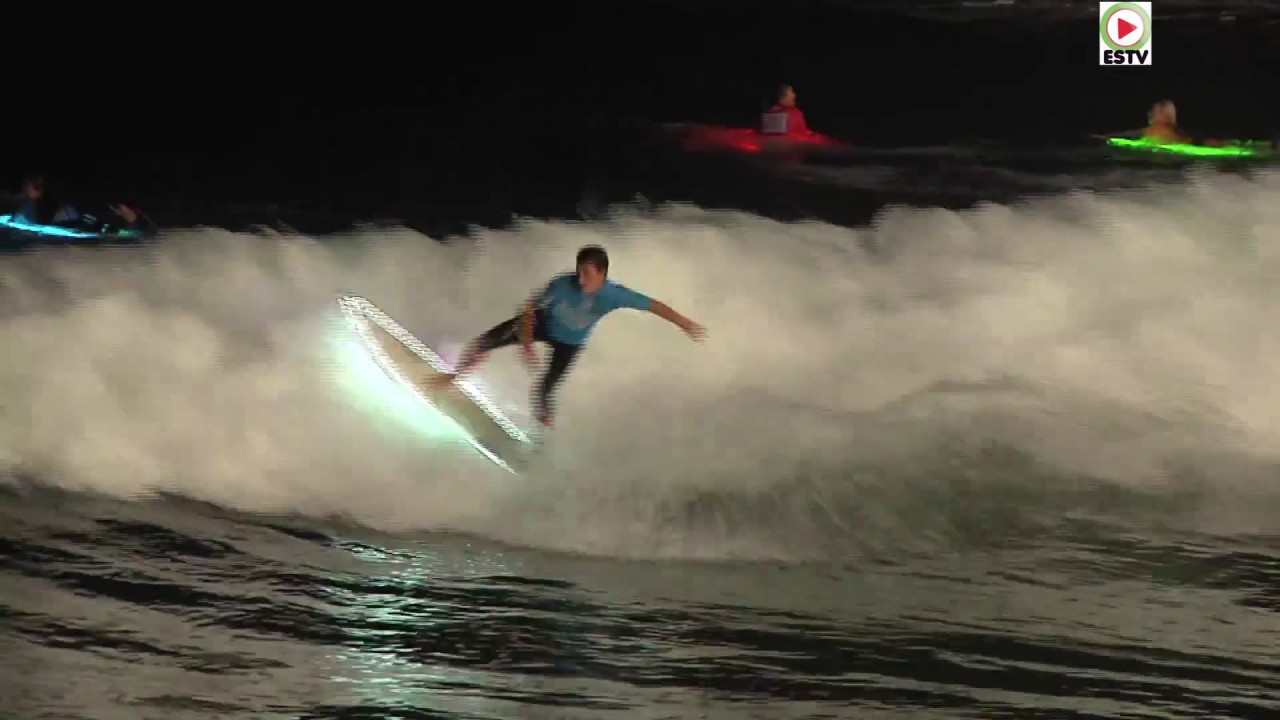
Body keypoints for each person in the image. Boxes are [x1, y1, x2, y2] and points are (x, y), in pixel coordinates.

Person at [430, 245, 706, 430]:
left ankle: (543, 441)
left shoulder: (615, 294)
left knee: (544, 392)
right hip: (542, 323)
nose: (581, 279)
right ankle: (453, 377)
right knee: (481, 343)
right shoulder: (562, 284)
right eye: (579, 272)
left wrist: (684, 323)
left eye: (587, 274)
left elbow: (655, 306)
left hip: (570, 344)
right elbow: (529, 309)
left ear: (602, 274)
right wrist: (526, 344)